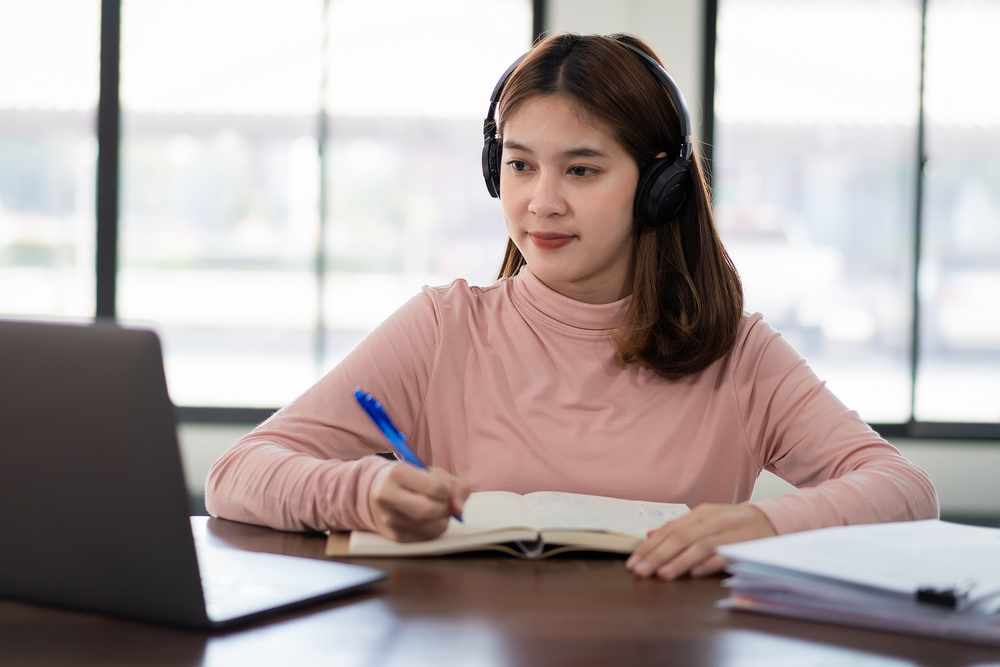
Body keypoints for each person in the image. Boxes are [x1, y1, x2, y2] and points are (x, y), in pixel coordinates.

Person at [206, 33, 937, 581]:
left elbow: (905, 489)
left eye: (581, 169)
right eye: (520, 164)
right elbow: (236, 474)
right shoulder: (442, 327)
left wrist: (764, 521)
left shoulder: (736, 354)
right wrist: (362, 489)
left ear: (661, 188)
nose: (540, 202)